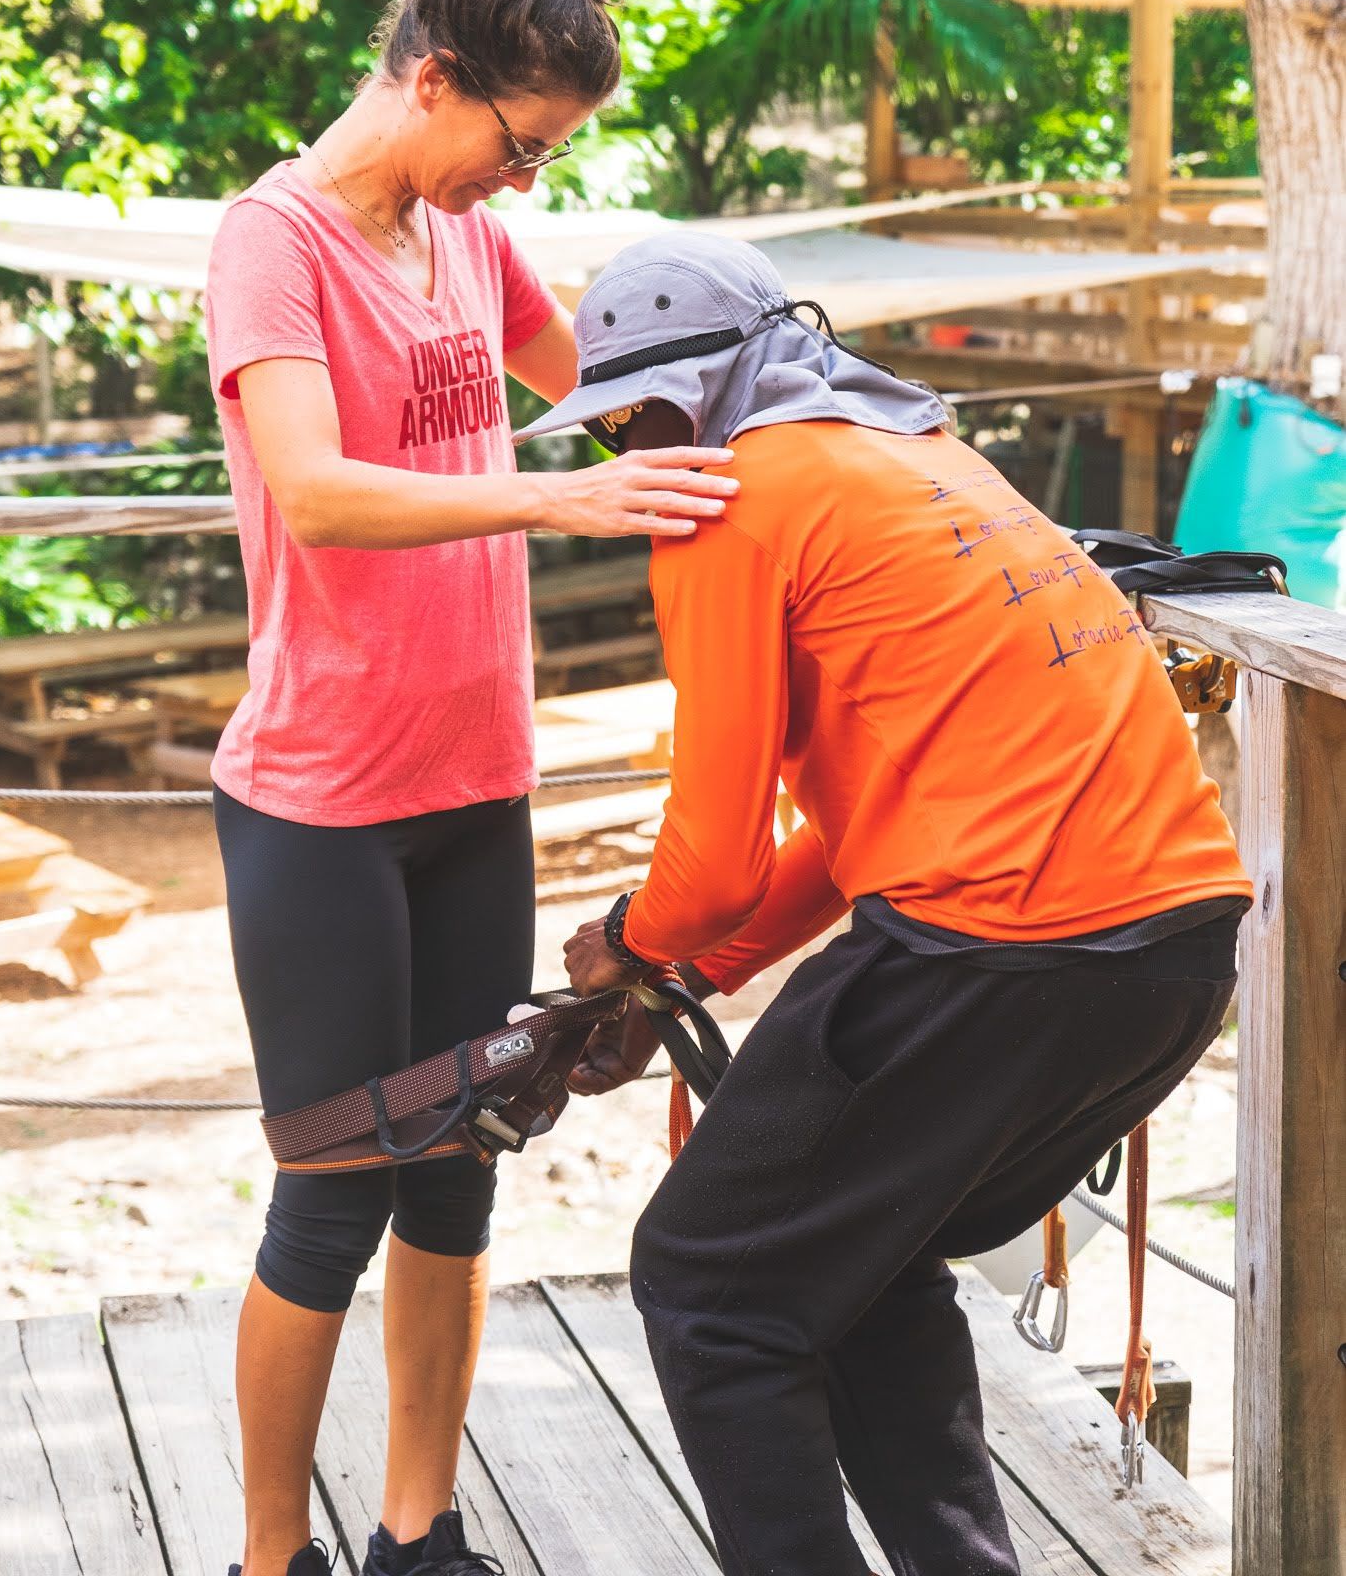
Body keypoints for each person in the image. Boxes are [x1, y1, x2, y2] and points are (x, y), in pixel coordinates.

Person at [531, 229, 1252, 1576]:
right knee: (861, 1249)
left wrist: (634, 946)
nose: (620, 448)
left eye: (630, 416)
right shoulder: (923, 462)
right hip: (1171, 949)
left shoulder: (729, 499)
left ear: (689, 402)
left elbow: (709, 860)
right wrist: (675, 973)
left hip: (1001, 953)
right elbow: (846, 837)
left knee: (711, 1287)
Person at [204, 0, 740, 1576]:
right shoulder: (272, 241)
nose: (524, 184)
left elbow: (605, 386)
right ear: (431, 80)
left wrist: (772, 427)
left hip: (472, 783)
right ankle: (266, 1557)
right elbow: (316, 490)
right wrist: (559, 489)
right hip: (321, 804)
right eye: (516, 146)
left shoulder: (466, 241)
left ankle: (413, 1537)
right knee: (335, 1196)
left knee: (460, 1180)